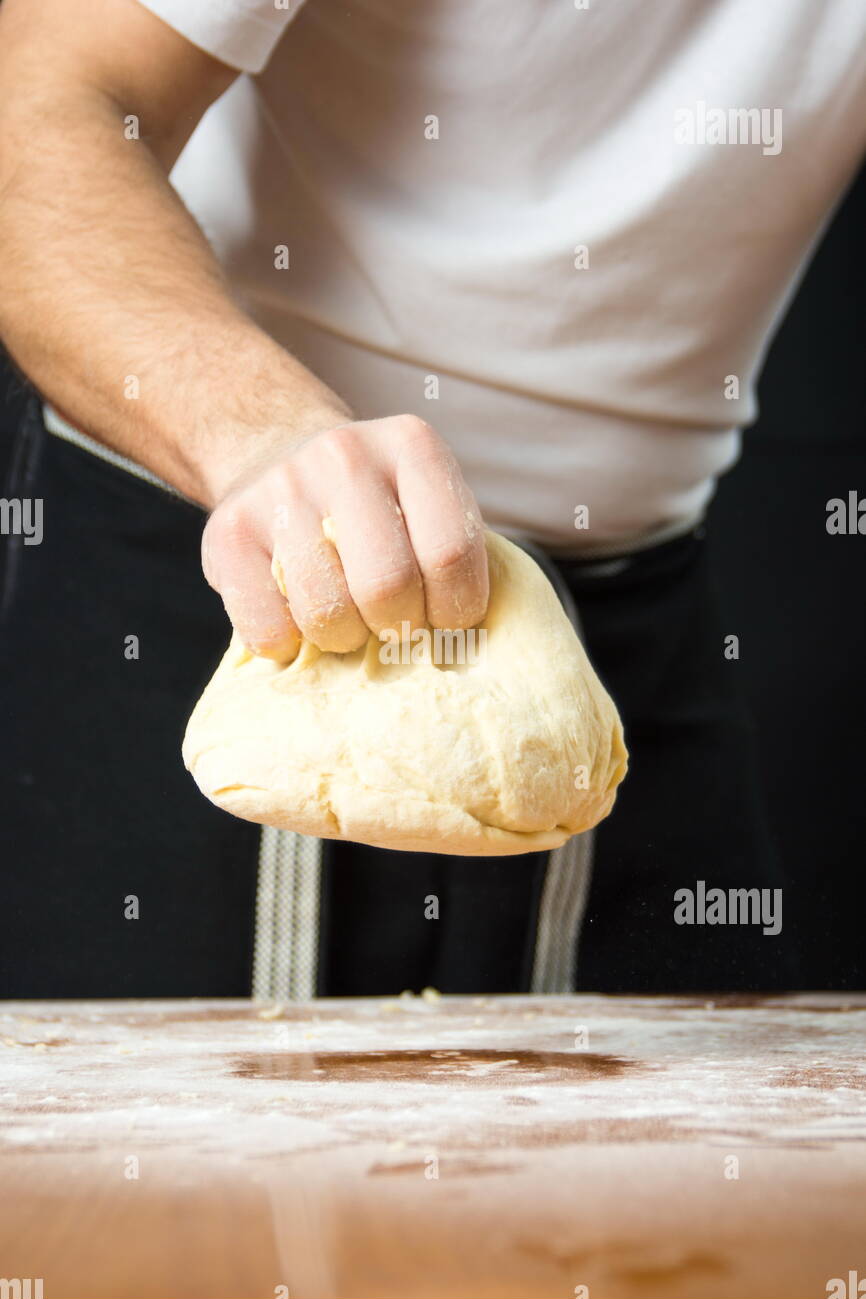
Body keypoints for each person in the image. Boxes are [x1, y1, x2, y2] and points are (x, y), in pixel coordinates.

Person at [1, 0, 863, 1000]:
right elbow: (39, 102)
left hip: (620, 653)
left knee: (682, 1140)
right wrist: (260, 429)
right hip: (245, 599)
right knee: (149, 1146)